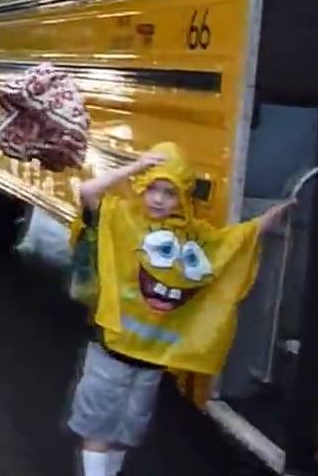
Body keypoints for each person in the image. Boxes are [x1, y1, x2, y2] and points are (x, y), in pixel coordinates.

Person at [67, 142, 293, 476]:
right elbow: (87, 191)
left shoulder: (194, 237)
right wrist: (136, 167)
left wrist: (280, 212)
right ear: (142, 187)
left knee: (126, 430)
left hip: (152, 359)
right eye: (152, 189)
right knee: (98, 426)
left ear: (184, 196)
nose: (158, 199)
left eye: (170, 192)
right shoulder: (120, 217)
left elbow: (234, 242)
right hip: (111, 348)